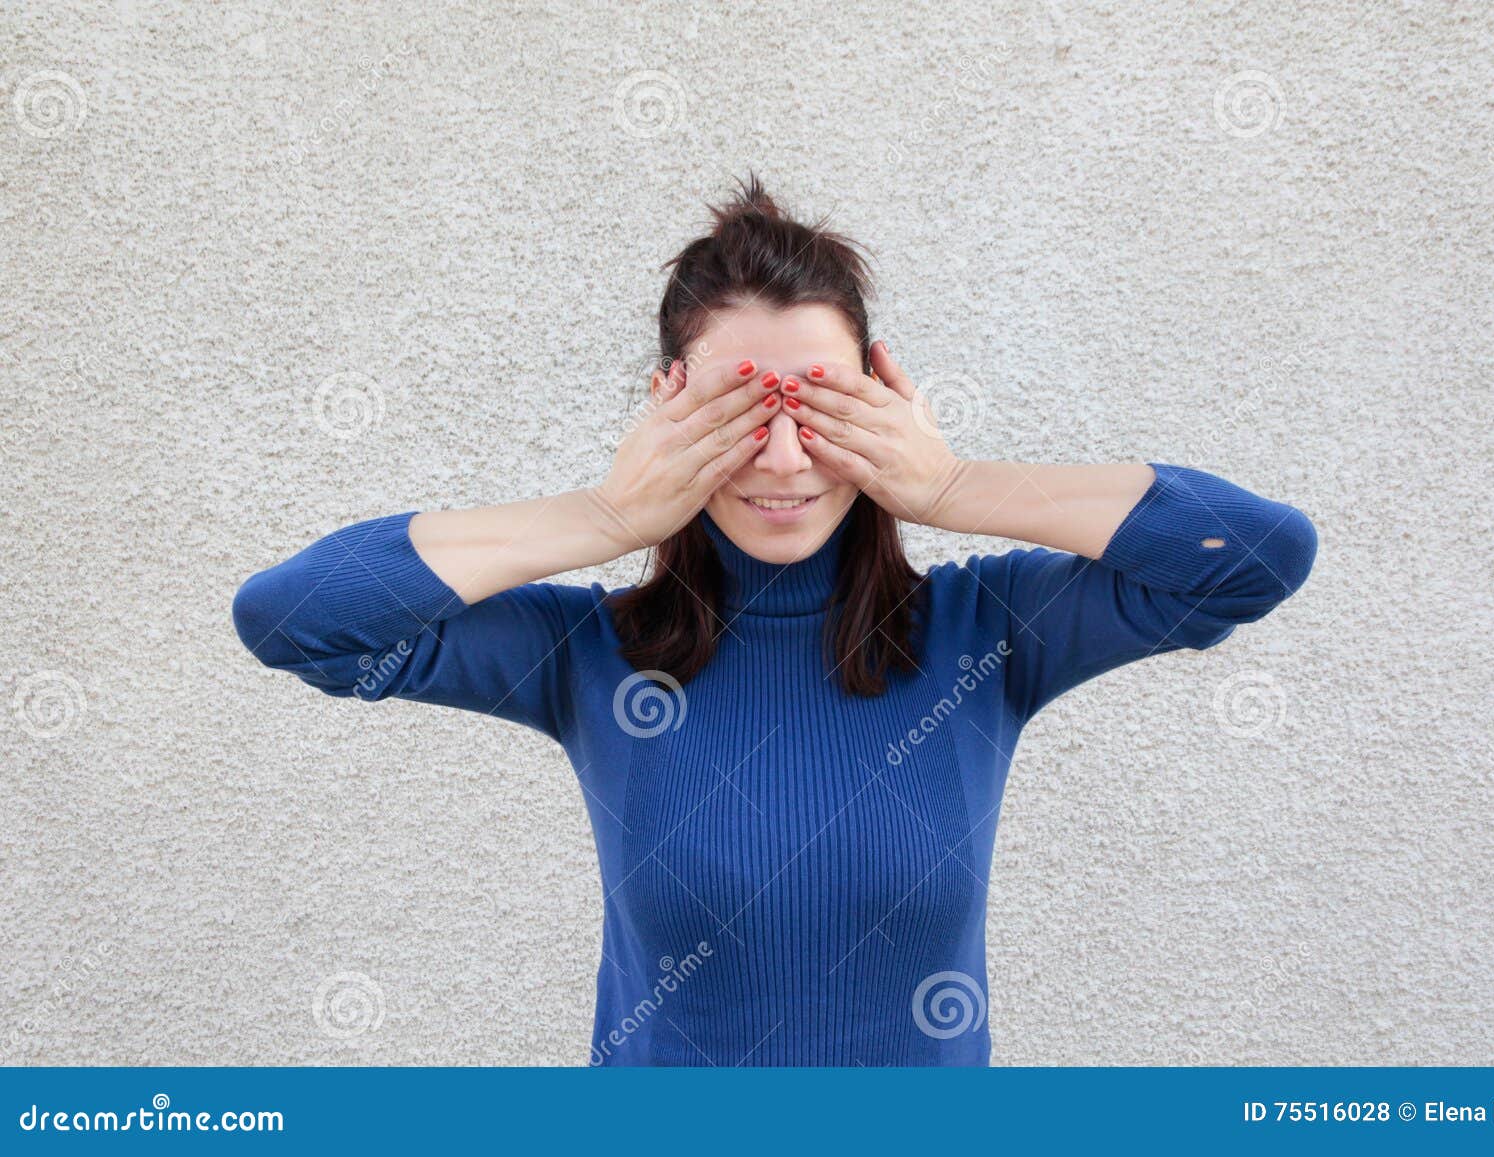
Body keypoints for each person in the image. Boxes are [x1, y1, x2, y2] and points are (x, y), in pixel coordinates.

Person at [231, 176, 1317, 1065]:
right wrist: (606, 513)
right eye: (739, 413)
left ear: (881, 404)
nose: (786, 460)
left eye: (820, 408)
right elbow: (295, 618)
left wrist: (952, 488)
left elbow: (1255, 554)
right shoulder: (589, 655)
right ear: (667, 410)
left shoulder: (986, 632)